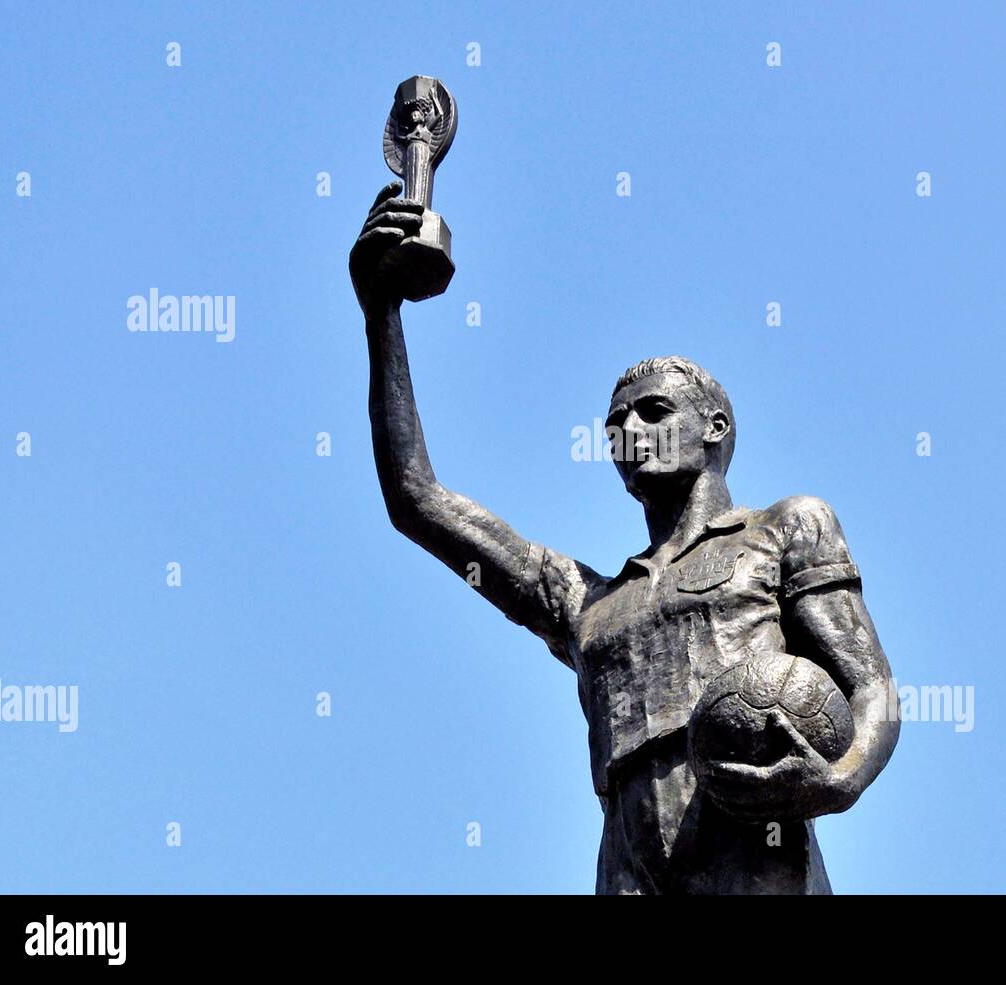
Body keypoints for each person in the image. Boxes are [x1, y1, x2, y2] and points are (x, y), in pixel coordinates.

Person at [350, 181, 900, 894]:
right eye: (616, 426)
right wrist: (380, 314)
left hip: (753, 846)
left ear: (715, 428)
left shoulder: (786, 527)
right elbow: (417, 500)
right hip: (628, 865)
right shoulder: (585, 601)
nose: (628, 434)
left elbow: (874, 687)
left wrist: (838, 779)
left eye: (652, 412)